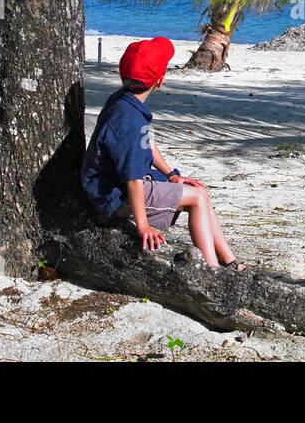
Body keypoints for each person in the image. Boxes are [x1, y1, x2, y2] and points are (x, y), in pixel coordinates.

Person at [82, 36, 244, 269]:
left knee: (199, 192)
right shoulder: (130, 120)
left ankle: (229, 261)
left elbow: (147, 142)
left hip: (116, 185)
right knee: (197, 199)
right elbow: (134, 180)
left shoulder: (123, 101)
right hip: (115, 197)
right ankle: (212, 269)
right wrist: (143, 226)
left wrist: (171, 174)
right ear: (160, 80)